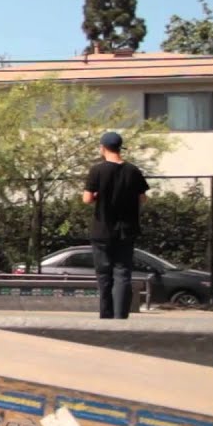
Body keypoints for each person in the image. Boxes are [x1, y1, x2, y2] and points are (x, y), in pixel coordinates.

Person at [83, 131, 149, 320]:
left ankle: (106, 315)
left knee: (104, 274)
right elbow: (143, 198)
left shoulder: (97, 170)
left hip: (102, 230)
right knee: (123, 274)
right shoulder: (133, 170)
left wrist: (98, 196)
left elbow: (87, 198)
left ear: (103, 148)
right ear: (120, 148)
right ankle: (121, 316)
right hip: (126, 230)